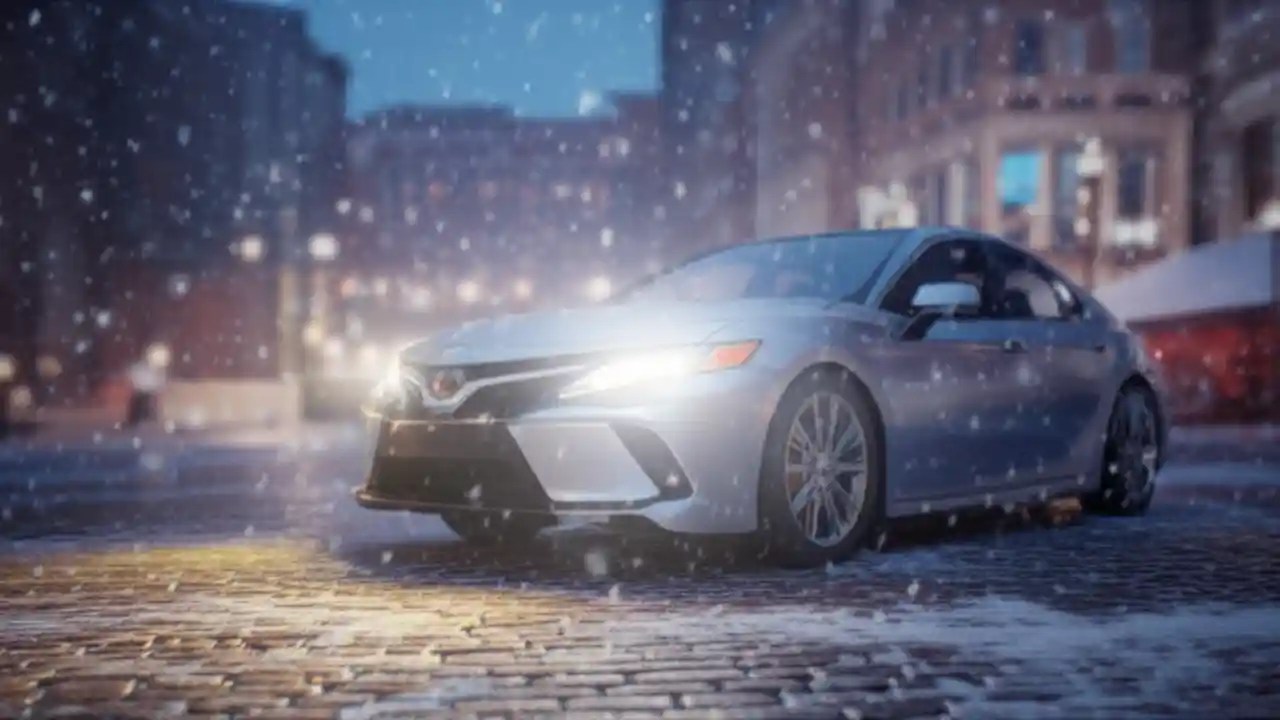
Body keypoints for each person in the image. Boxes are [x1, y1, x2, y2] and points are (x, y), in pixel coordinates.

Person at [125, 354, 165, 426]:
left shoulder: (153, 369)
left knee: (148, 407)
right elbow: (132, 379)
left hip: (148, 392)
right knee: (138, 407)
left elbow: (158, 381)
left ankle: (149, 419)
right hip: (140, 392)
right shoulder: (139, 368)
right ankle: (137, 419)